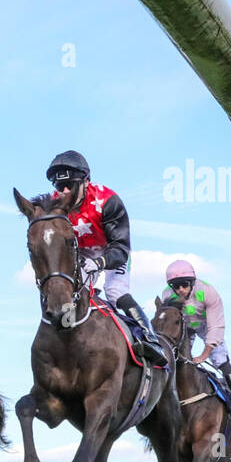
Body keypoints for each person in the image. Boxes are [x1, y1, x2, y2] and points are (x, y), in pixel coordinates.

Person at [45, 150, 168, 366]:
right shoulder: (54, 205)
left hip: (111, 248)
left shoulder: (108, 201)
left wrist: (99, 263)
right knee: (71, 291)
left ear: (85, 181)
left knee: (115, 292)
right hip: (81, 251)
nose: (64, 192)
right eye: (59, 187)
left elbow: (120, 248)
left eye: (70, 185)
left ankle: (150, 338)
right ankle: (66, 341)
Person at [161, 259, 231, 415]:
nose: (180, 289)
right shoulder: (167, 295)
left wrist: (204, 355)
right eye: (176, 286)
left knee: (219, 358)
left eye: (185, 284)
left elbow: (216, 327)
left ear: (192, 282)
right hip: (185, 326)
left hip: (206, 324)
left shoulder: (208, 291)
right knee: (174, 358)